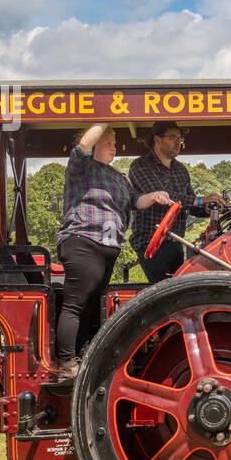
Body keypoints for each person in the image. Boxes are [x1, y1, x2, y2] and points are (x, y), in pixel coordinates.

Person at [55, 122, 172, 378]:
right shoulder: (81, 168)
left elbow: (135, 201)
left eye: (115, 143)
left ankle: (83, 356)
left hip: (109, 247)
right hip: (84, 241)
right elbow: (82, 147)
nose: (114, 147)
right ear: (95, 144)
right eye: (108, 142)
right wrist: (105, 119)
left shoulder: (118, 176)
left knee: (92, 304)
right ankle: (65, 362)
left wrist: (154, 196)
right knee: (76, 304)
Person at [128, 121, 228, 283]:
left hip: (176, 241)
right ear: (157, 139)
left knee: (178, 291)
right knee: (164, 292)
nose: (178, 142)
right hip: (151, 242)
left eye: (180, 138)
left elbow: (192, 207)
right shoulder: (140, 165)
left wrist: (212, 207)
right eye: (173, 137)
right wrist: (202, 199)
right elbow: (164, 198)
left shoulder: (181, 170)